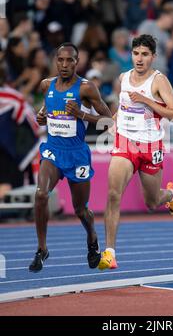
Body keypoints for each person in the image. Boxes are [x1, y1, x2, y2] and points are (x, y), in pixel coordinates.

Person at [98, 34, 173, 270]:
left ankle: (171, 196)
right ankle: (109, 253)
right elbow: (123, 108)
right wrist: (111, 123)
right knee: (114, 195)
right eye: (136, 53)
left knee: (152, 202)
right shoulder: (123, 78)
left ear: (153, 57)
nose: (139, 58)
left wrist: (147, 101)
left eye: (145, 54)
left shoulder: (159, 80)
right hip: (125, 143)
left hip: (150, 146)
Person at [29, 42, 112, 272]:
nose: (64, 65)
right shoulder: (47, 85)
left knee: (80, 210)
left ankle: (92, 237)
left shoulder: (86, 89)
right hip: (53, 151)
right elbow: (47, 110)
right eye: (60, 60)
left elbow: (109, 121)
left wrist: (83, 114)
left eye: (69, 60)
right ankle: (42, 249)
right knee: (40, 194)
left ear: (77, 62)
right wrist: (42, 116)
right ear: (55, 61)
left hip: (77, 155)